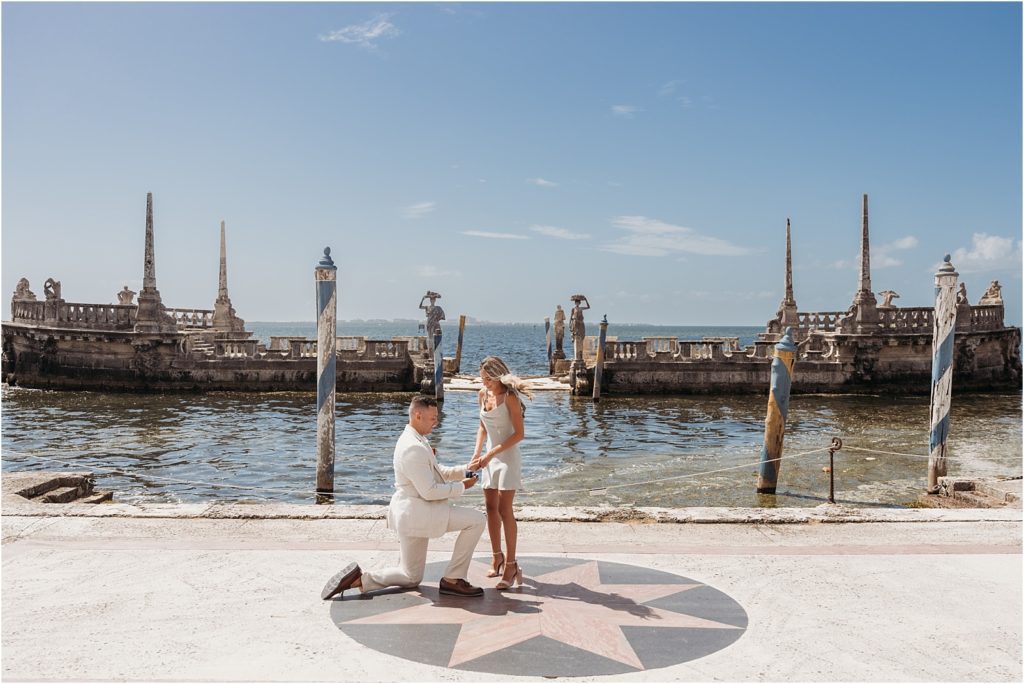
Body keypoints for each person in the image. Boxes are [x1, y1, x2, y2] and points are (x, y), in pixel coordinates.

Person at [321, 395, 485, 600]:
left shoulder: (416, 439)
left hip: (411, 513)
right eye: (433, 417)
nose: (437, 421)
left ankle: (360, 580)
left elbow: (437, 471)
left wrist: (465, 470)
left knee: (411, 577)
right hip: (420, 512)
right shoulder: (413, 447)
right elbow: (429, 491)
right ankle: (453, 579)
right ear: (418, 415)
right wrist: (462, 487)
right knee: (477, 520)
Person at [469, 356, 533, 590]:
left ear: (498, 376)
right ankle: (497, 557)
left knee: (505, 510)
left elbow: (519, 435)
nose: (484, 382)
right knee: (490, 508)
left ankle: (511, 564)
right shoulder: (482, 395)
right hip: (489, 458)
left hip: (507, 457)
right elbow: (482, 428)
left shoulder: (511, 398)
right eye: (482, 378)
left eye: (488, 378)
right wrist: (476, 454)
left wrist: (491, 454)